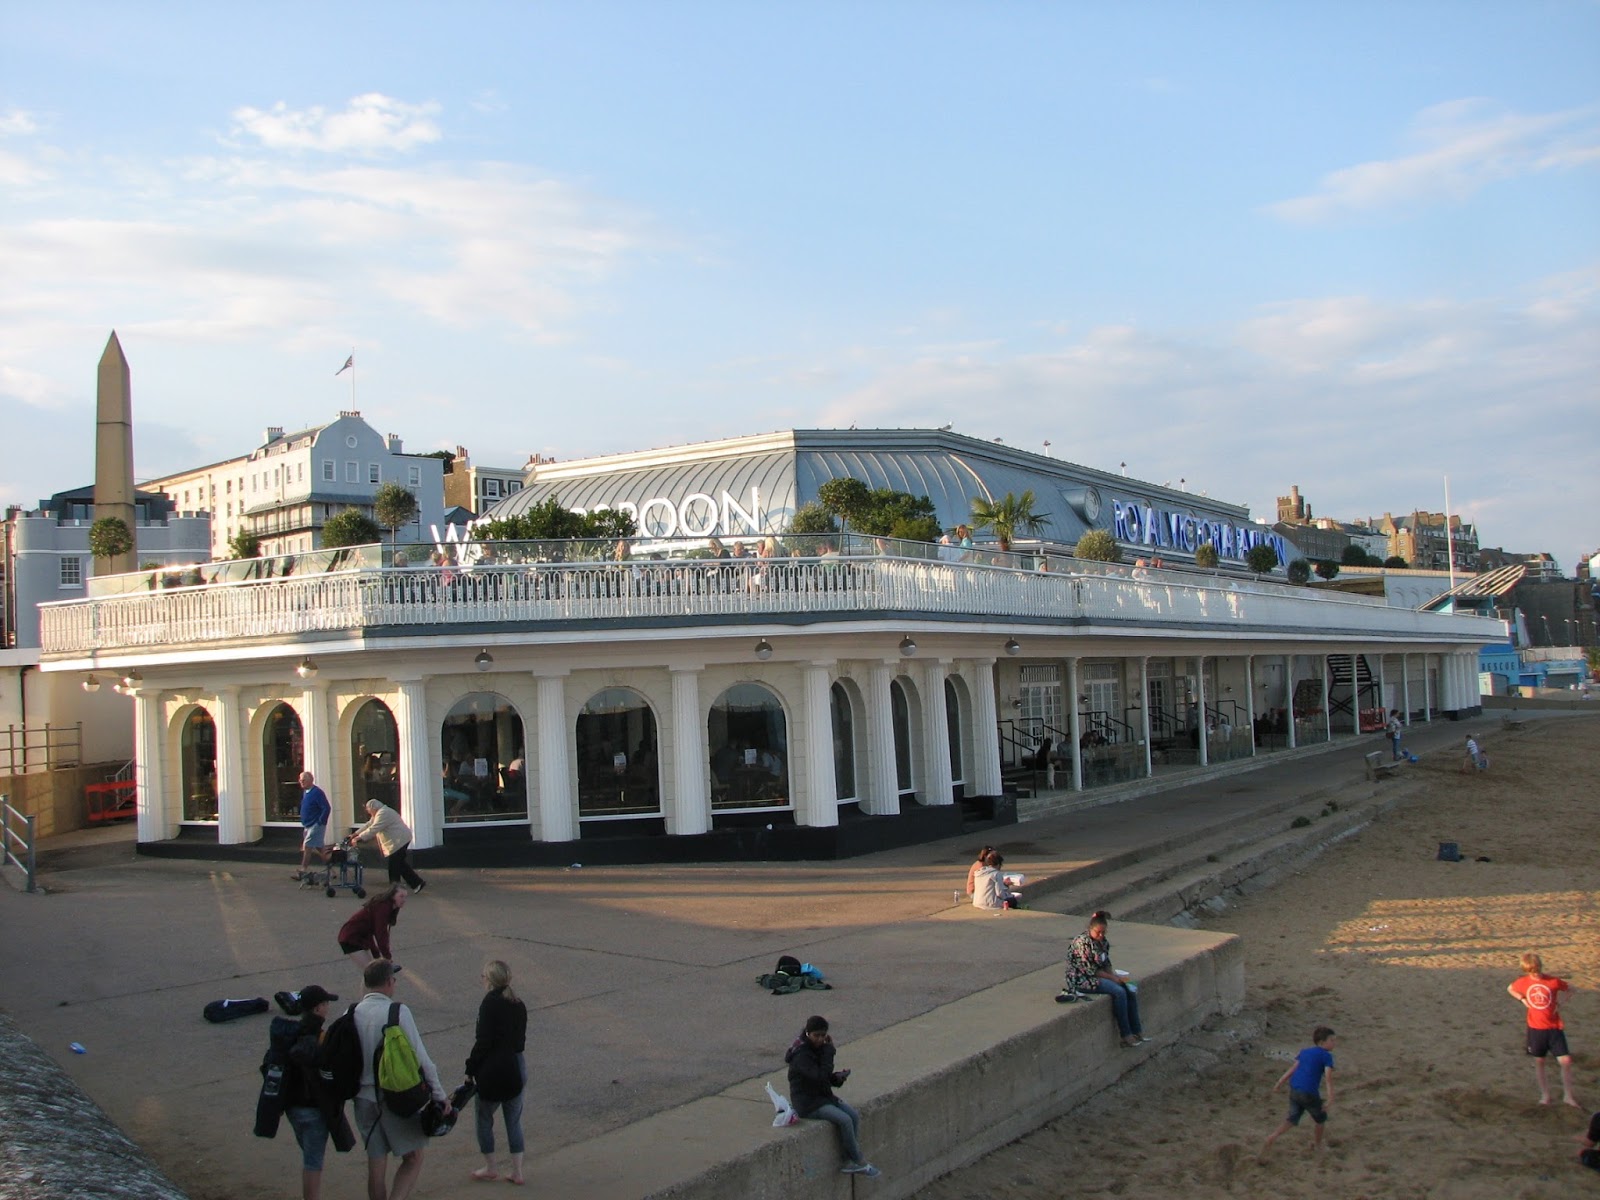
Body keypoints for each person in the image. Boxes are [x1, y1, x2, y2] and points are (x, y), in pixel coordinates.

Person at [353, 959, 450, 1200]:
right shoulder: (397, 1012)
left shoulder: (351, 1012)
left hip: (362, 1100)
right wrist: (440, 1096)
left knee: (376, 1162)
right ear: (388, 983)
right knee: (414, 1157)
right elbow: (422, 1060)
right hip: (393, 1097)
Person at [282, 984, 354, 1200]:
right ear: (317, 1009)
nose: (327, 1007)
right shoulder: (321, 1038)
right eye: (324, 1004)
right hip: (314, 1108)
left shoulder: (290, 1033)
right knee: (313, 1162)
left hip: (292, 1107)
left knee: (309, 1155)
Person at [784, 1015, 879, 1178]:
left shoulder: (818, 1049)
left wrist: (837, 1079)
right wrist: (828, 1054)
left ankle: (848, 1160)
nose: (820, 1039)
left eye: (823, 1035)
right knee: (845, 1120)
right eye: (816, 1036)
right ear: (808, 1034)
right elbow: (819, 1077)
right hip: (808, 1103)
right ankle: (858, 1161)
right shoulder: (801, 1055)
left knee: (854, 1115)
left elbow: (823, 1077)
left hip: (822, 1097)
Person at [464, 959, 528, 1184]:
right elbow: (520, 1042)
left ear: (490, 980)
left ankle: (491, 1166)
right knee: (513, 1119)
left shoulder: (489, 1004)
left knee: (484, 1117)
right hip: (515, 1064)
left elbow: (483, 1042)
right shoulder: (518, 1003)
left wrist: (470, 1068)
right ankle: (517, 1171)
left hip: (493, 1068)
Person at [1059, 910, 1149, 1047]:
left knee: (1130, 988)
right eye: (1098, 932)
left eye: (1103, 933)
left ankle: (1137, 1030)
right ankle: (1126, 1034)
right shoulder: (1082, 942)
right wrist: (1112, 979)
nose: (1101, 936)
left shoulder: (1103, 942)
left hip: (1099, 975)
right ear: (1090, 928)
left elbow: (1106, 963)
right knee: (1119, 992)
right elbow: (1091, 970)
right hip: (1082, 978)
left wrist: (1115, 976)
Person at [1507, 951, 1579, 1107]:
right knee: (1540, 1061)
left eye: (1538, 970)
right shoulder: (1523, 982)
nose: (1536, 974)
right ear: (1527, 971)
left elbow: (1571, 989)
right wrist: (1523, 999)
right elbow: (1510, 988)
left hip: (1554, 1027)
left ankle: (1568, 1096)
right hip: (1536, 1028)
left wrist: (1560, 1003)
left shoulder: (1552, 981)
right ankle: (1545, 1095)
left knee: (1565, 1060)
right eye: (1532, 972)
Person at [1260, 1026, 1336, 1158]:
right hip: (1309, 1093)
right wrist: (1330, 1098)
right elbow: (1328, 1078)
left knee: (1291, 1119)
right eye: (1332, 1040)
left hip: (1295, 1090)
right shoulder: (1326, 1056)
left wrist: (1279, 1082)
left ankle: (1272, 1137)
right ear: (1322, 1042)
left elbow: (1293, 1069)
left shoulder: (1304, 1052)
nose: (1334, 1043)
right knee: (1320, 1119)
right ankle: (1318, 1145)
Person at [352, 799, 427, 892]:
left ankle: (395, 888)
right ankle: (416, 883)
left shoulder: (383, 814)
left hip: (400, 841)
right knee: (399, 863)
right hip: (399, 841)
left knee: (394, 865)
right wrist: (355, 834)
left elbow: (374, 829)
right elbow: (369, 825)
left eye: (368, 810)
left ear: (373, 808)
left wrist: (358, 838)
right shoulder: (379, 812)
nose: (368, 812)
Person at [338, 886, 408, 972]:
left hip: (361, 937)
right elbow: (381, 933)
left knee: (373, 972)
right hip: (350, 938)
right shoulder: (383, 907)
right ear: (392, 896)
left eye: (405, 897)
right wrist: (387, 958)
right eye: (401, 896)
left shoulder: (390, 907)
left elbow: (372, 931)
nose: (404, 900)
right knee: (372, 973)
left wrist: (377, 956)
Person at [294, 771, 332, 882]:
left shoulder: (317, 792)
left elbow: (326, 808)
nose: (301, 782)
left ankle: (303, 870)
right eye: (300, 780)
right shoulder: (306, 792)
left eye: (303, 780)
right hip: (308, 825)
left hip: (315, 825)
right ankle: (332, 868)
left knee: (307, 847)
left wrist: (320, 822)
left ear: (310, 780)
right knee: (320, 848)